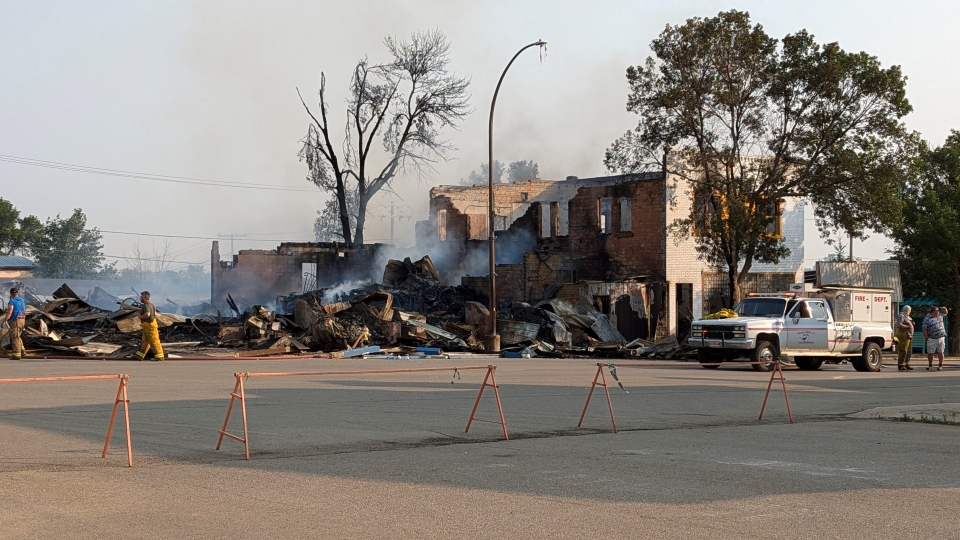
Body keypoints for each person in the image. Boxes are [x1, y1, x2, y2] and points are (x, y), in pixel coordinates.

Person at [134, 291, 164, 361]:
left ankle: (159, 357)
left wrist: (140, 316)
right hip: (149, 325)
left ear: (144, 297)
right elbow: (155, 314)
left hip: (149, 325)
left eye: (141, 297)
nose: (140, 298)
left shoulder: (146, 305)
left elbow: (147, 314)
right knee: (145, 341)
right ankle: (139, 356)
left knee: (154, 341)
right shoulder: (151, 305)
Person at [1, 288, 27, 360]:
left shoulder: (12, 301)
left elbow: (10, 311)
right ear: (17, 293)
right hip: (23, 320)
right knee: (18, 336)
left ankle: (16, 354)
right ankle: (22, 351)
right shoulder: (21, 300)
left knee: (14, 337)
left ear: (11, 294)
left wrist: (4, 321)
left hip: (16, 320)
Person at [921, 306, 948, 371]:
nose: (937, 313)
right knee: (930, 352)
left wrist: (944, 308)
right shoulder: (927, 318)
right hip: (932, 338)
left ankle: (940, 365)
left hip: (941, 337)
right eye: (936, 312)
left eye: (938, 312)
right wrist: (927, 338)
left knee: (941, 351)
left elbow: (946, 313)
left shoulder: (940, 315)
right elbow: (924, 329)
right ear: (932, 312)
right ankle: (930, 365)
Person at [896, 305, 915, 370]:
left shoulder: (908, 317)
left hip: (909, 336)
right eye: (909, 310)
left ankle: (906, 363)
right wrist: (908, 326)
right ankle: (901, 364)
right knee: (903, 350)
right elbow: (899, 324)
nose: (910, 311)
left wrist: (912, 324)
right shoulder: (901, 315)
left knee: (909, 351)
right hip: (904, 335)